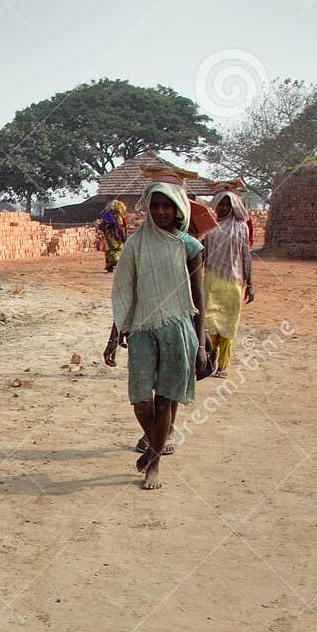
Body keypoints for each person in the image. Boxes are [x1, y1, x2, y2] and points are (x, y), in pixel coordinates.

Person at [103, 181, 207, 490]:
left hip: (178, 328)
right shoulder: (136, 244)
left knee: (164, 401)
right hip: (141, 330)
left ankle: (154, 464)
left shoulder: (189, 246)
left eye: (167, 206)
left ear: (178, 210)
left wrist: (201, 342)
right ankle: (153, 446)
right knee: (140, 401)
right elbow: (126, 292)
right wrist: (113, 336)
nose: (161, 211)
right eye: (155, 205)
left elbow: (198, 297)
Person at [200, 192, 255, 377]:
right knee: (208, 322)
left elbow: (246, 256)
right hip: (211, 280)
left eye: (227, 205)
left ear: (234, 207)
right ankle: (209, 356)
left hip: (233, 283)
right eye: (220, 204)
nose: (223, 208)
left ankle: (223, 365)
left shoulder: (241, 227)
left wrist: (251, 284)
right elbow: (203, 253)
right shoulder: (210, 226)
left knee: (228, 325)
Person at [98, 199, 128, 272]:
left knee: (113, 249)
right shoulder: (116, 216)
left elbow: (102, 225)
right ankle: (114, 263)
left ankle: (111, 264)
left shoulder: (110, 216)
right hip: (113, 235)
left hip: (115, 235)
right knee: (115, 248)